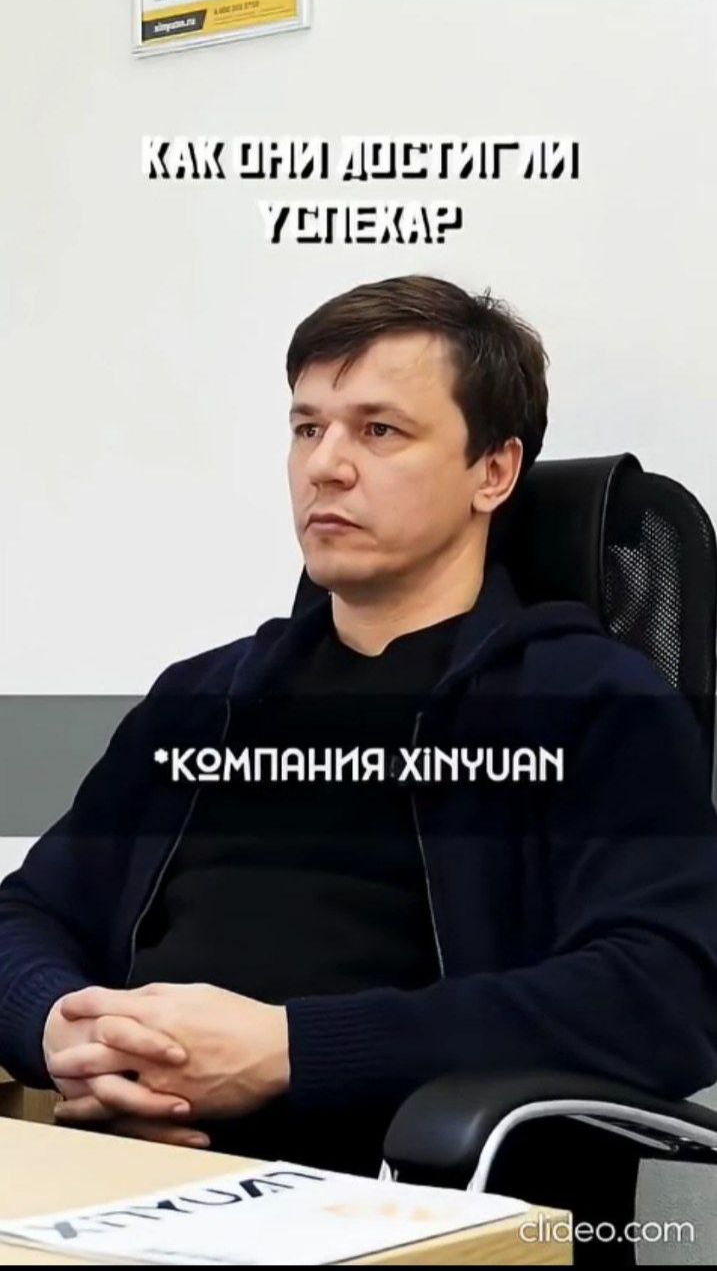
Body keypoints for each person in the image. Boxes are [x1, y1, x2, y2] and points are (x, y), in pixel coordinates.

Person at [2, 275, 717, 1266]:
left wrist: (291, 1051)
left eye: (379, 431)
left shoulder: (590, 700)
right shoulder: (204, 698)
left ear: (494, 470)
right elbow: (24, 914)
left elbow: (660, 994)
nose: (325, 467)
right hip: (125, 1187)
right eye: (307, 428)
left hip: (393, 1206)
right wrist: (60, 1028)